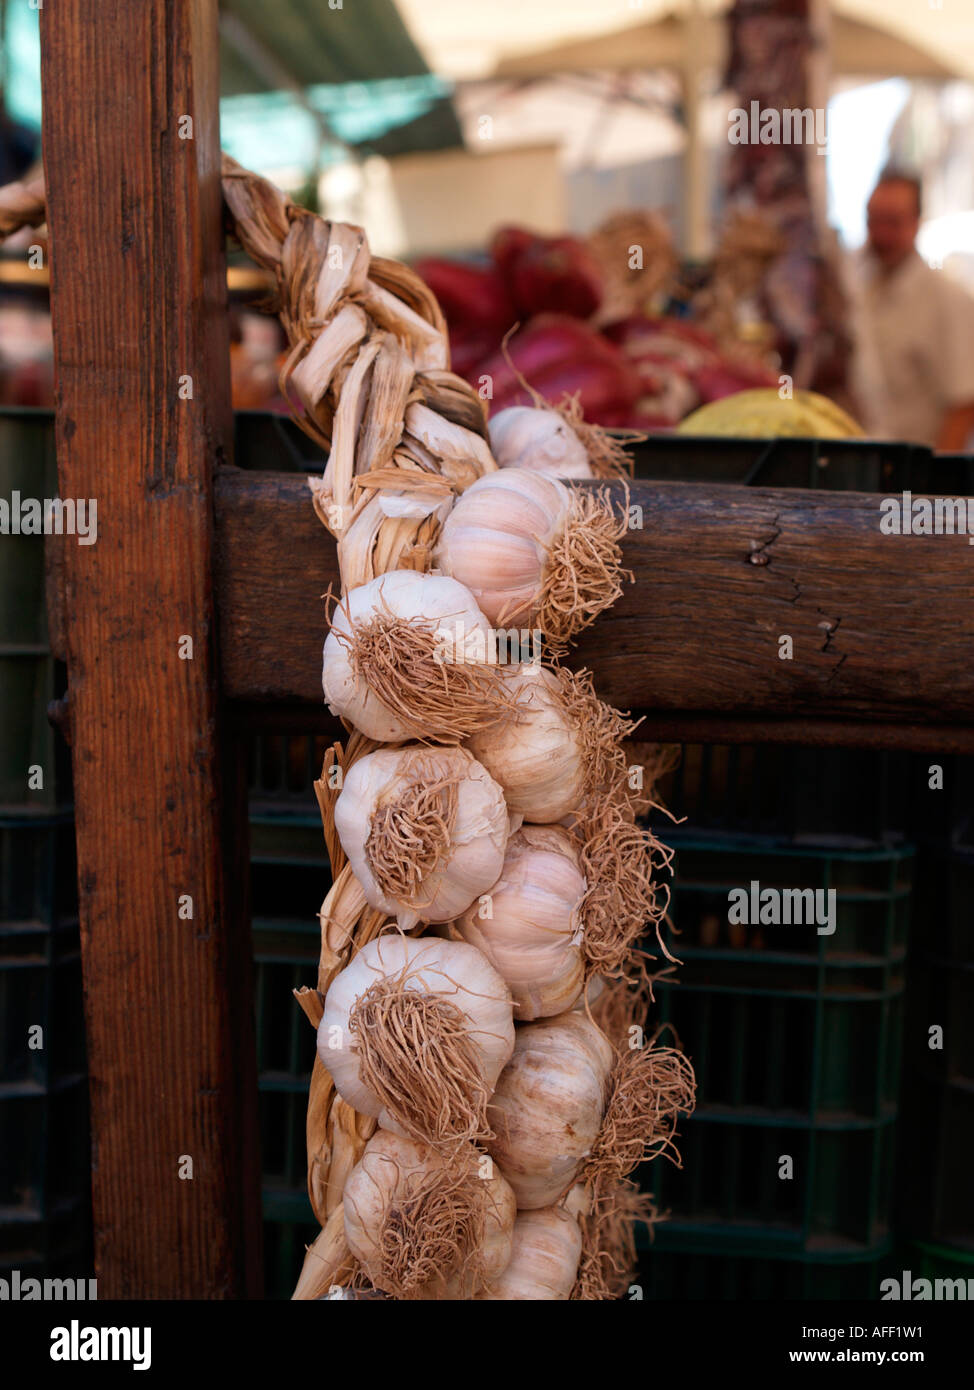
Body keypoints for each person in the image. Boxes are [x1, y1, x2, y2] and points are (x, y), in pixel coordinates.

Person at [849, 169, 974, 450]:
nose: (880, 234)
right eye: (873, 221)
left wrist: (935, 486)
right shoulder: (857, 286)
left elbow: (964, 406)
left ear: (917, 223)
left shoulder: (949, 300)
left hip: (919, 474)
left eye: (893, 223)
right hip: (867, 464)